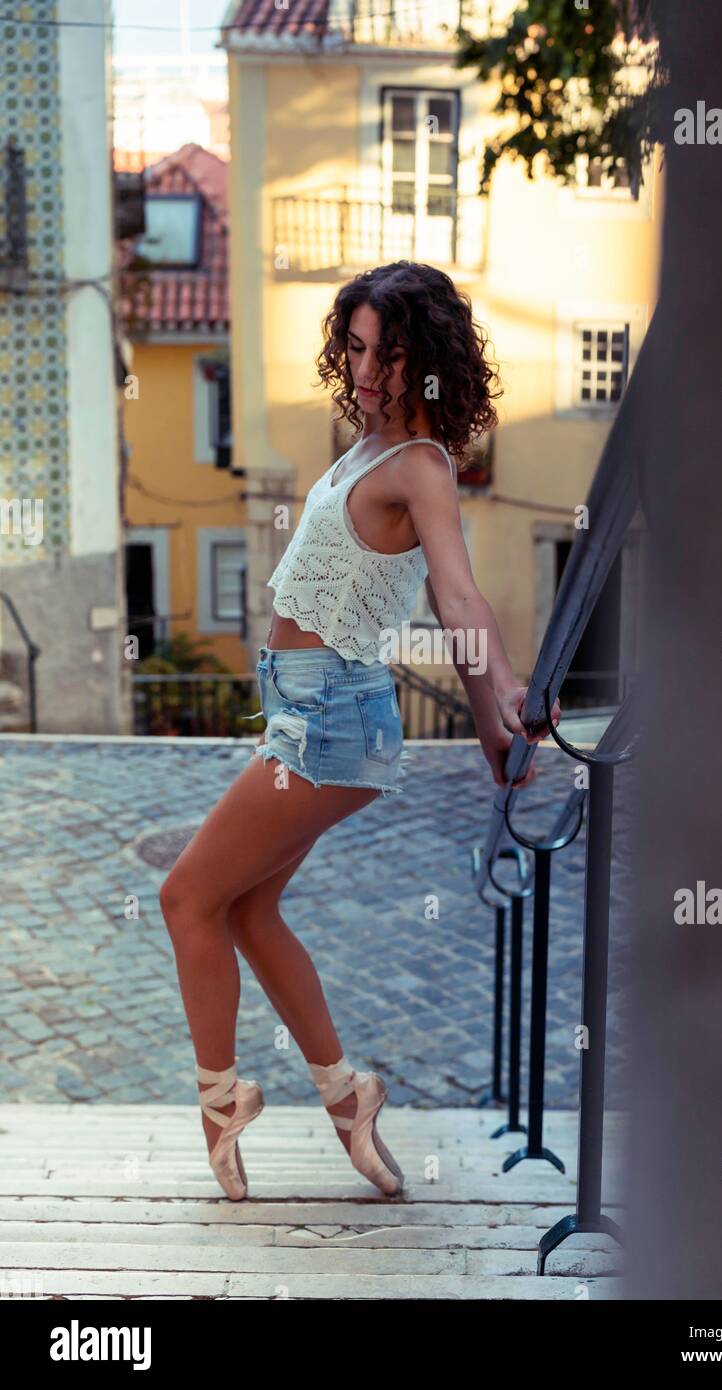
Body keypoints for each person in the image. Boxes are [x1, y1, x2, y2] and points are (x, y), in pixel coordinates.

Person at [160, 261, 561, 1201]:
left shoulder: (420, 467)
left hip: (331, 720)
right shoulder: (373, 447)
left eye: (388, 351)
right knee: (247, 909)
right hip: (310, 708)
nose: (369, 367)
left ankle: (223, 1101)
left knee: (186, 899)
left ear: (429, 357)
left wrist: (496, 709)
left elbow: (460, 595)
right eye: (358, 346)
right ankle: (349, 1097)